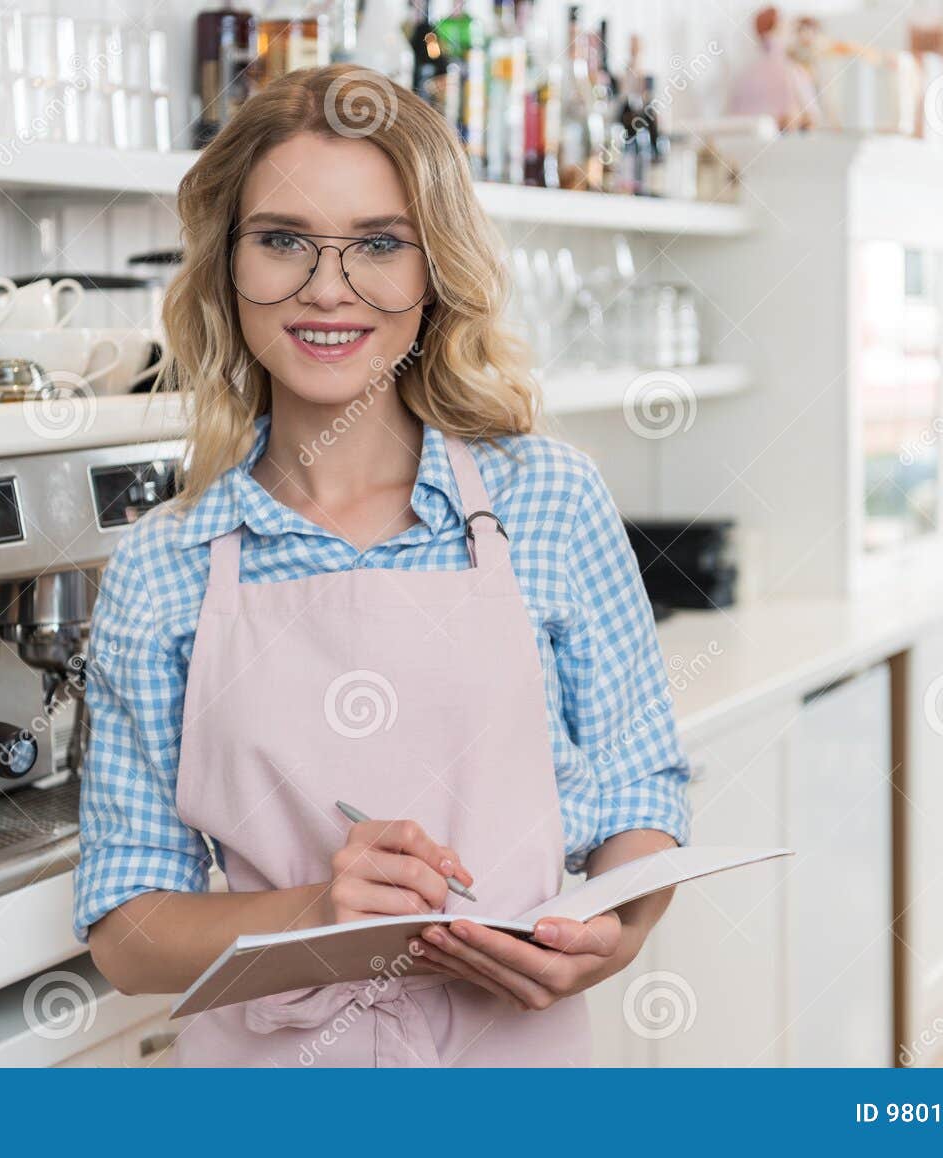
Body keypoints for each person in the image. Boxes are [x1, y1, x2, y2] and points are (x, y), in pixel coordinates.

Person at [73, 64, 691, 1067]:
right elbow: (126, 930)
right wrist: (322, 912)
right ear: (228, 269)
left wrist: (611, 941)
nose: (328, 288)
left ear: (432, 271)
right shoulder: (163, 565)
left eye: (378, 245)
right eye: (281, 242)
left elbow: (638, 798)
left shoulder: (551, 502)